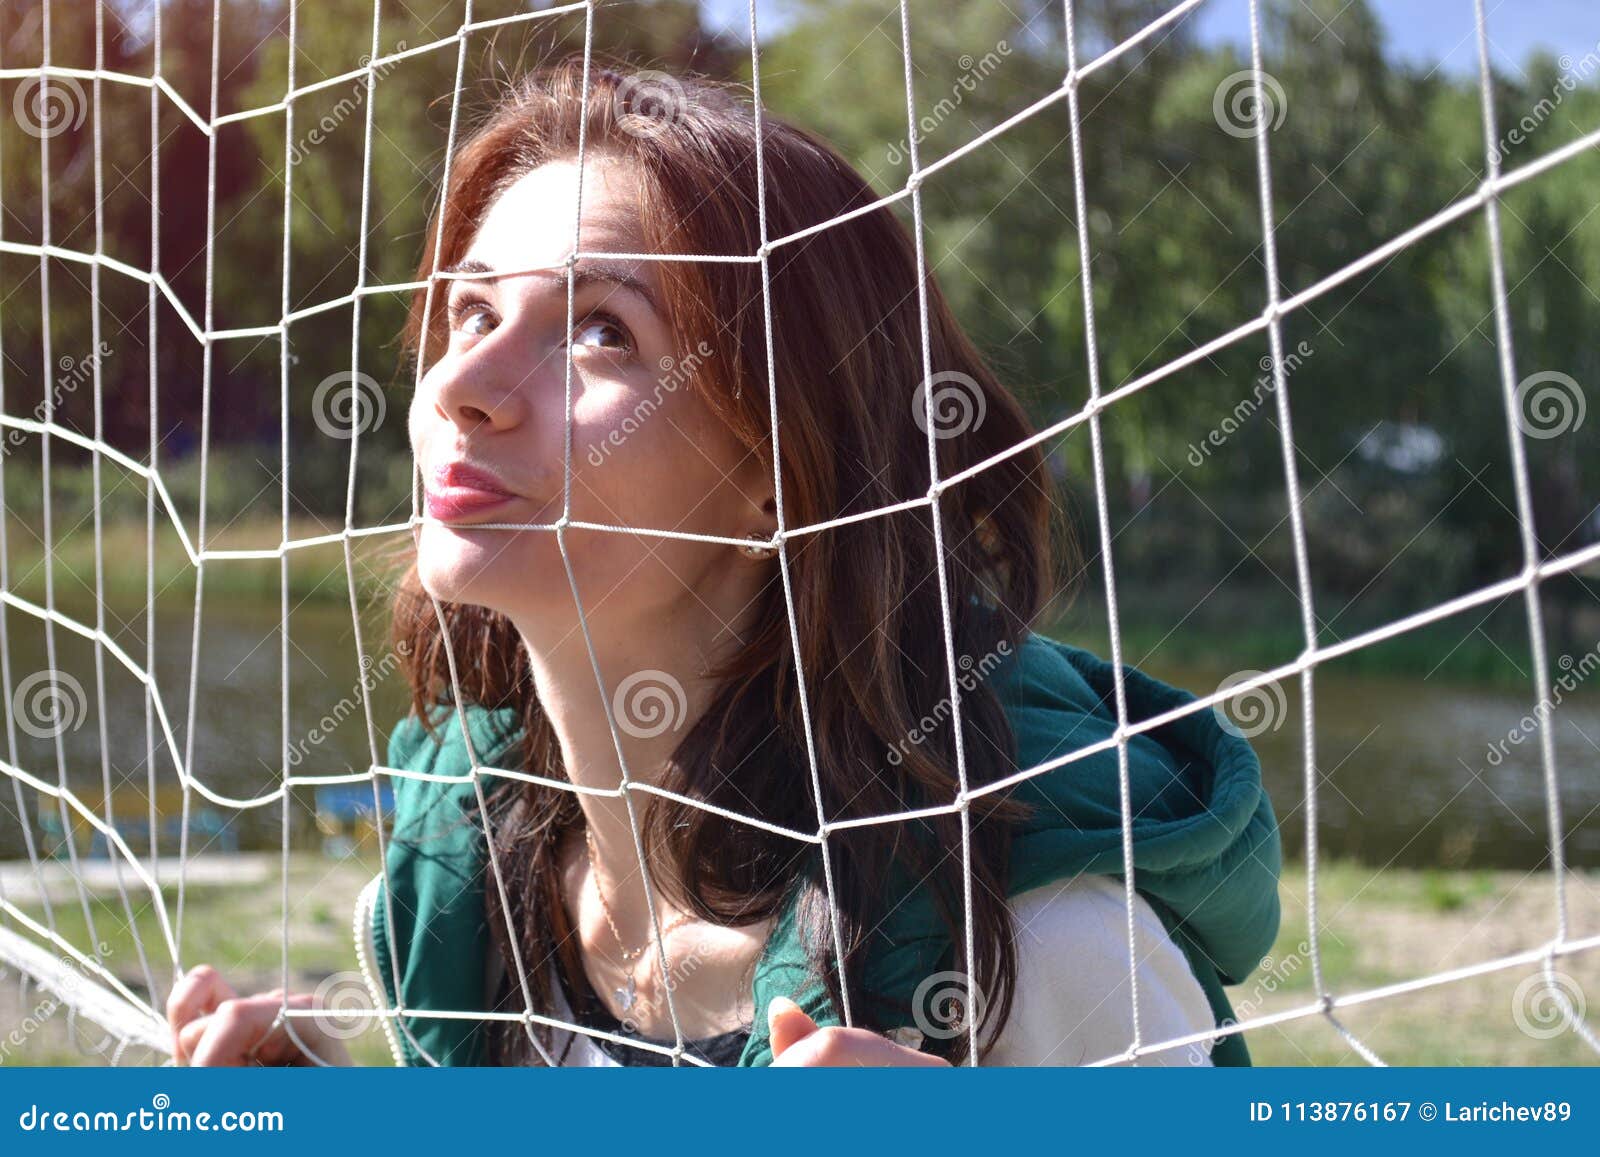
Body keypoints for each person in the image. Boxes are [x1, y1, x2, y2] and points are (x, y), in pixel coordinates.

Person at [167, 58, 1281, 1068]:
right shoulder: (451, 885)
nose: (464, 384)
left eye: (599, 330)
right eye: (472, 310)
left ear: (783, 471)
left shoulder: (1044, 938)